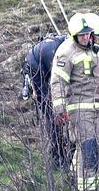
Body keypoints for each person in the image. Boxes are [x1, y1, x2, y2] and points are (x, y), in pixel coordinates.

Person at [50, 12, 99, 191]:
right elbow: (57, 83)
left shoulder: (97, 50)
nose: (86, 37)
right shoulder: (65, 52)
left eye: (89, 34)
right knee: (88, 151)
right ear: (74, 35)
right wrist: (59, 110)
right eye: (82, 35)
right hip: (80, 111)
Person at [21, 32, 71, 167]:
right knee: (51, 112)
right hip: (36, 72)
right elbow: (59, 80)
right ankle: (57, 155)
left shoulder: (68, 47)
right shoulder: (55, 51)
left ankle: (69, 147)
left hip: (45, 67)